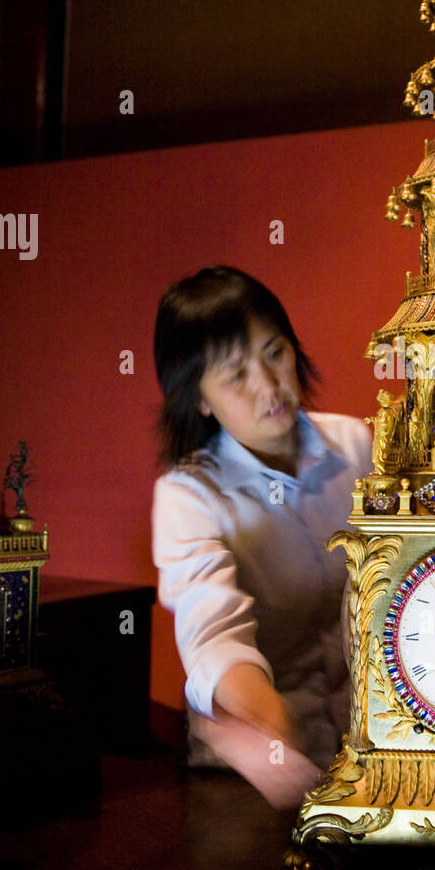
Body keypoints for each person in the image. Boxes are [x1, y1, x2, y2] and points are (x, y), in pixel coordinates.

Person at [151, 265, 373, 808]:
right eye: (236, 375)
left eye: (275, 353)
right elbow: (211, 626)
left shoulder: (355, 446)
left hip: (366, 756)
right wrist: (261, 712)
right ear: (199, 399)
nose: (270, 386)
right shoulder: (190, 495)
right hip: (255, 777)